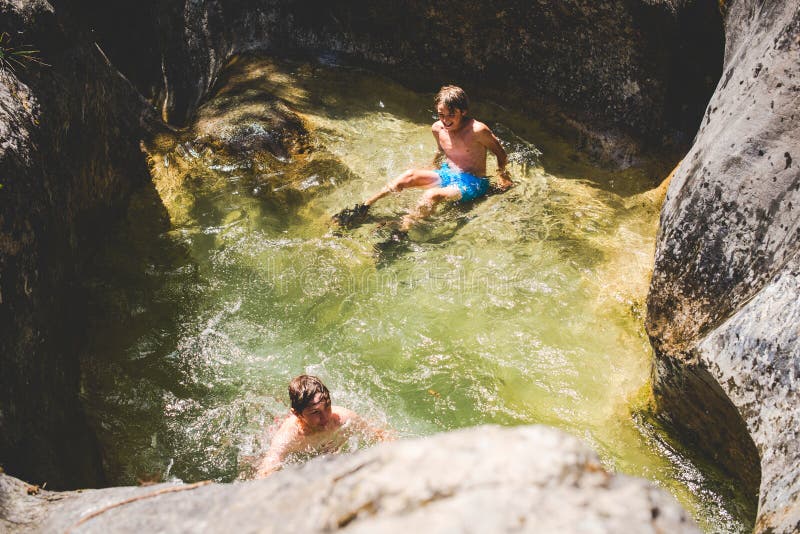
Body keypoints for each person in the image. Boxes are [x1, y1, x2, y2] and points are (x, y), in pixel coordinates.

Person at [333, 85, 513, 237]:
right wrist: (432, 167)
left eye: (451, 115)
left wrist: (502, 175)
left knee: (431, 195)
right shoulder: (437, 128)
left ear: (463, 111)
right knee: (407, 176)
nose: (445, 120)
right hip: (448, 172)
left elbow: (500, 152)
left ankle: (401, 232)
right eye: (441, 115)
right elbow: (442, 150)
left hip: (473, 181)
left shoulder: (477, 130)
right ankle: (363, 209)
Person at [255, 375, 390, 478]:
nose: (325, 417)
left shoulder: (344, 419)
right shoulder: (289, 437)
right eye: (315, 412)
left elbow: (381, 435)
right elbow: (266, 471)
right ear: (297, 414)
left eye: (327, 406)